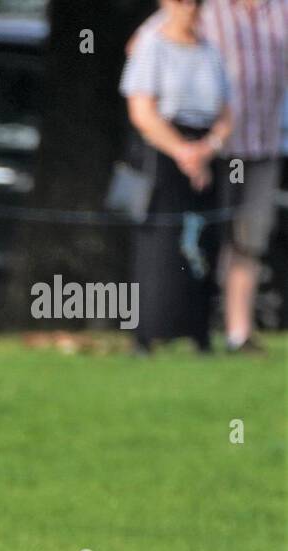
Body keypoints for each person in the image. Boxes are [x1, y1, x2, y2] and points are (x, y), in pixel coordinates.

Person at [133, 0, 288, 352]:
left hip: (263, 143)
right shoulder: (207, 7)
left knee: (250, 239)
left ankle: (238, 333)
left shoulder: (282, 9)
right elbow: (147, 40)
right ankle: (190, 325)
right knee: (204, 239)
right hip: (211, 150)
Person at [122, 0, 234, 353]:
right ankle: (148, 333)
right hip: (162, 154)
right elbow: (142, 111)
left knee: (201, 240)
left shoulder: (210, 52)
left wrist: (206, 148)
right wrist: (182, 151)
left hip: (203, 154)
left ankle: (197, 331)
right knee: (159, 243)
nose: (191, 9)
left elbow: (227, 111)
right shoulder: (152, 45)